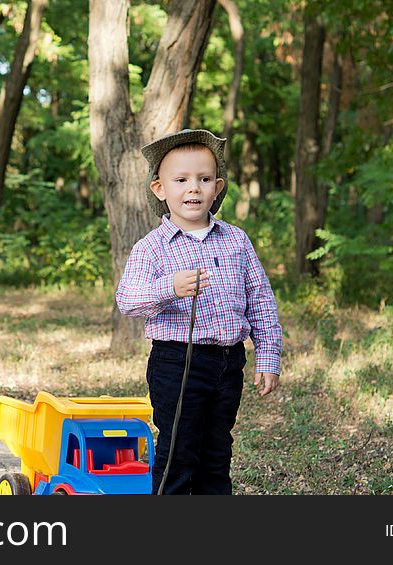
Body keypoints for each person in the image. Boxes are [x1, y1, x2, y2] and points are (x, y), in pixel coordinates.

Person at [115, 129, 283, 495]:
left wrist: (268, 357)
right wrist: (169, 288)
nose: (194, 188)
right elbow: (127, 299)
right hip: (177, 363)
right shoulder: (152, 247)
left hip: (227, 362)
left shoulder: (236, 240)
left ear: (217, 187)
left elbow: (261, 300)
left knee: (216, 450)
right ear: (160, 189)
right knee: (179, 450)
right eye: (182, 180)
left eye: (204, 179)